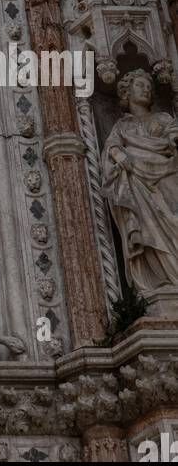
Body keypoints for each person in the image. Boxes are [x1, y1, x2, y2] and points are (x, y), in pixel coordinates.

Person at [101, 69, 178, 296]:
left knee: (173, 219)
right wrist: (120, 156)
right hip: (139, 183)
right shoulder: (122, 127)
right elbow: (112, 147)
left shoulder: (163, 118)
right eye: (139, 85)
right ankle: (163, 279)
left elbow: (174, 135)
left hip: (168, 175)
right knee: (150, 229)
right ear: (126, 92)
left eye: (148, 86)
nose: (145, 89)